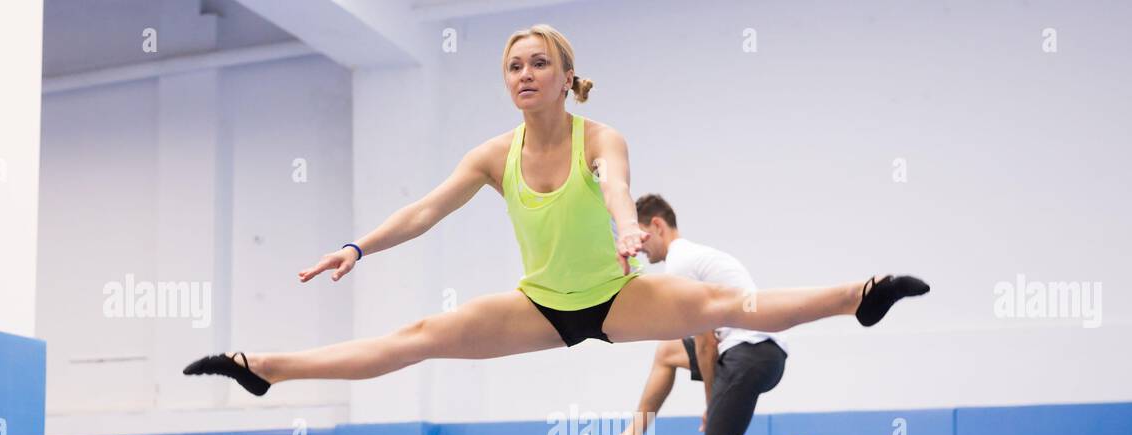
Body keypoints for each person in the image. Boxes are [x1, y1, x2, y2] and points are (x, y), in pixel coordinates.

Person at [183, 24, 928, 409]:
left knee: (734, 307)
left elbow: (613, 182)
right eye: (514, 66)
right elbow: (425, 210)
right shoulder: (491, 155)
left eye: (539, 63)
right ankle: (265, 368)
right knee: (416, 339)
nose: (525, 75)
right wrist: (359, 246)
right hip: (539, 306)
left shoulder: (598, 138)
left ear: (567, 79)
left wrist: (626, 227)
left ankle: (859, 296)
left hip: (620, 297)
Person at [582, 194, 835, 435]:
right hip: (757, 353)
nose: (634, 247)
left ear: (657, 227)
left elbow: (705, 343)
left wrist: (710, 401)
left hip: (750, 352)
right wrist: (712, 400)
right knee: (667, 351)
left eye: (638, 236)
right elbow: (701, 343)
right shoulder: (696, 258)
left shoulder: (681, 266)